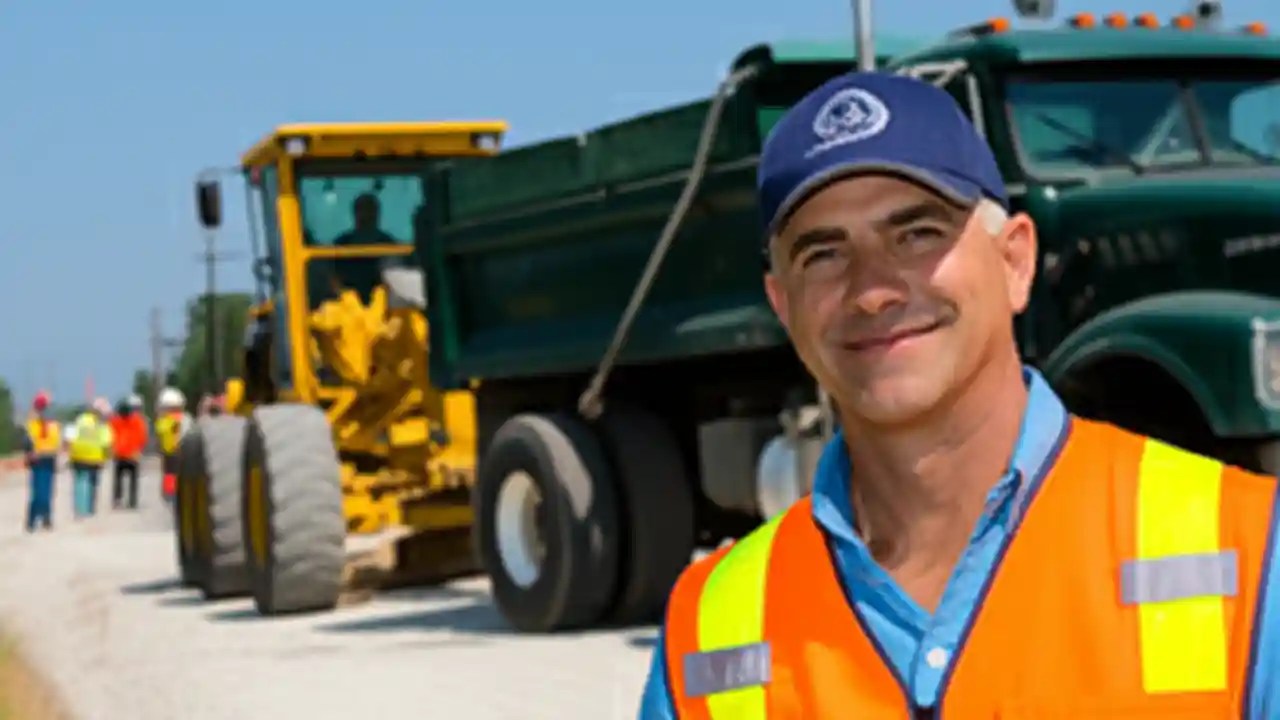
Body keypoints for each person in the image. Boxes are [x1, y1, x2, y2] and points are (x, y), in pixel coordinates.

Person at [638, 72, 1280, 718]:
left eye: (917, 234)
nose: (873, 290)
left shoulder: (1251, 553)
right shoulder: (712, 629)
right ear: (783, 305)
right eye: (824, 254)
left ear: (1015, 261)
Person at [65, 398, 113, 519]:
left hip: (79, 456)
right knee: (92, 483)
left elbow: (69, 438)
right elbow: (106, 443)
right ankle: (90, 509)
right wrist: (106, 458)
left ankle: (80, 509)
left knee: (80, 483)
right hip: (95, 458)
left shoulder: (80, 420)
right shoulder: (102, 424)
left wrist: (68, 453)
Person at [20, 391, 61, 531]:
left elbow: (56, 442)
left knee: (47, 492)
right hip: (37, 460)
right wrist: (29, 454)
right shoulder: (32, 423)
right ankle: (32, 521)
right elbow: (27, 441)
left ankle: (46, 518)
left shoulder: (53, 424)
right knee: (38, 493)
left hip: (49, 458)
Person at [109, 394, 148, 509]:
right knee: (133, 480)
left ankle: (117, 499)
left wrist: (113, 449)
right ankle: (132, 501)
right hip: (133, 455)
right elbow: (143, 438)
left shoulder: (115, 422)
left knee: (118, 479)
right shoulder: (138, 421)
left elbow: (110, 436)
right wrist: (139, 449)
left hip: (119, 454)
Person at [154, 387, 191, 504]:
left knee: (169, 473)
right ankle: (176, 493)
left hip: (169, 451)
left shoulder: (163, 421)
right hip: (180, 450)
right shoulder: (185, 419)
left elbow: (159, 433)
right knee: (177, 473)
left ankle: (170, 494)